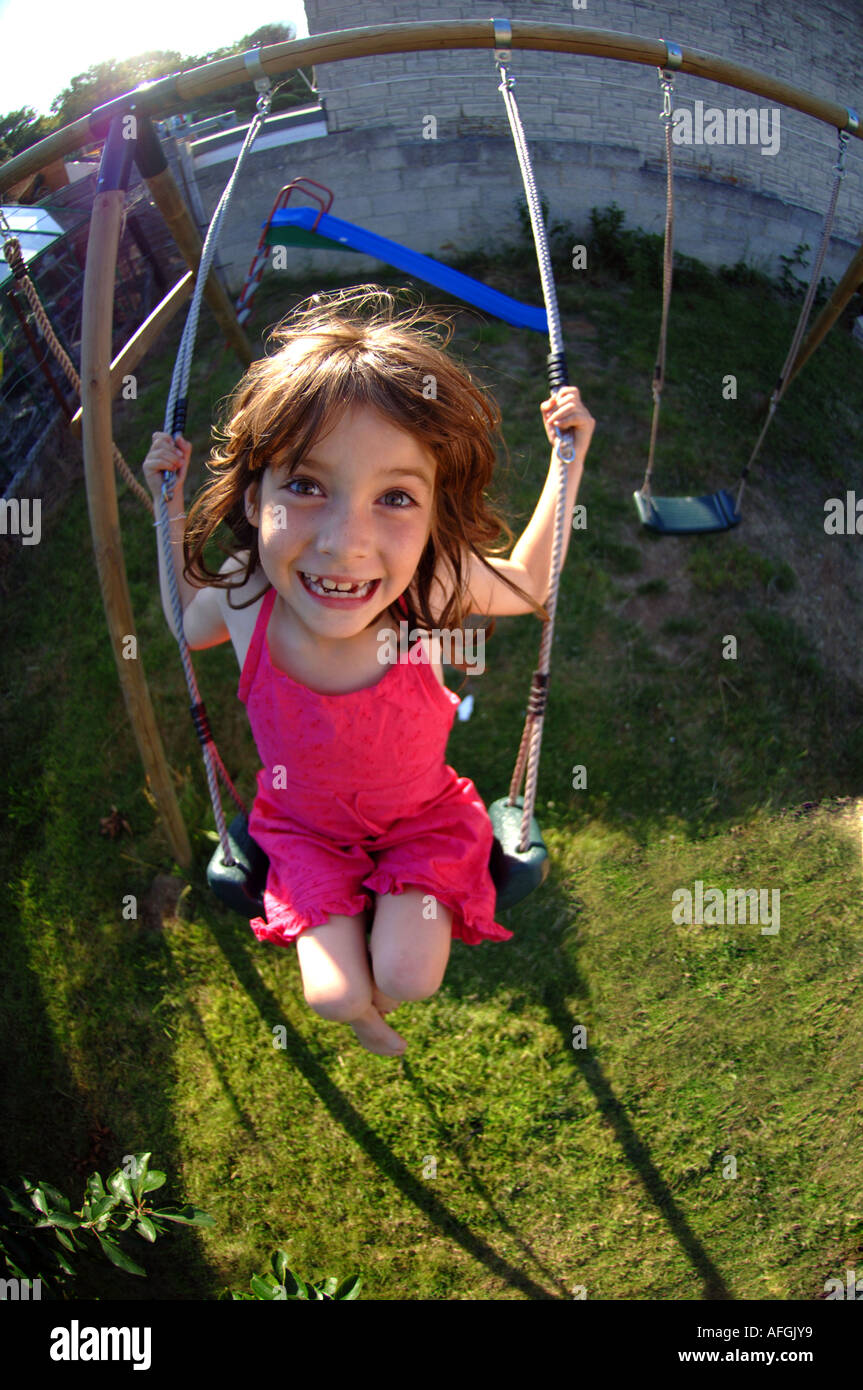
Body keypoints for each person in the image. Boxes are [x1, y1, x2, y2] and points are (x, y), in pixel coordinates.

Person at [142, 284, 594, 1059]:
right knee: (333, 994)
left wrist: (568, 461)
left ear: (431, 519)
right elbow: (188, 620)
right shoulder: (247, 598)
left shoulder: (426, 592)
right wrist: (168, 502)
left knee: (409, 974)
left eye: (393, 497)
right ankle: (359, 1004)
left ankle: (378, 968)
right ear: (255, 500)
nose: (345, 544)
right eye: (307, 487)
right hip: (304, 831)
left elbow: (526, 584)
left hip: (420, 822)